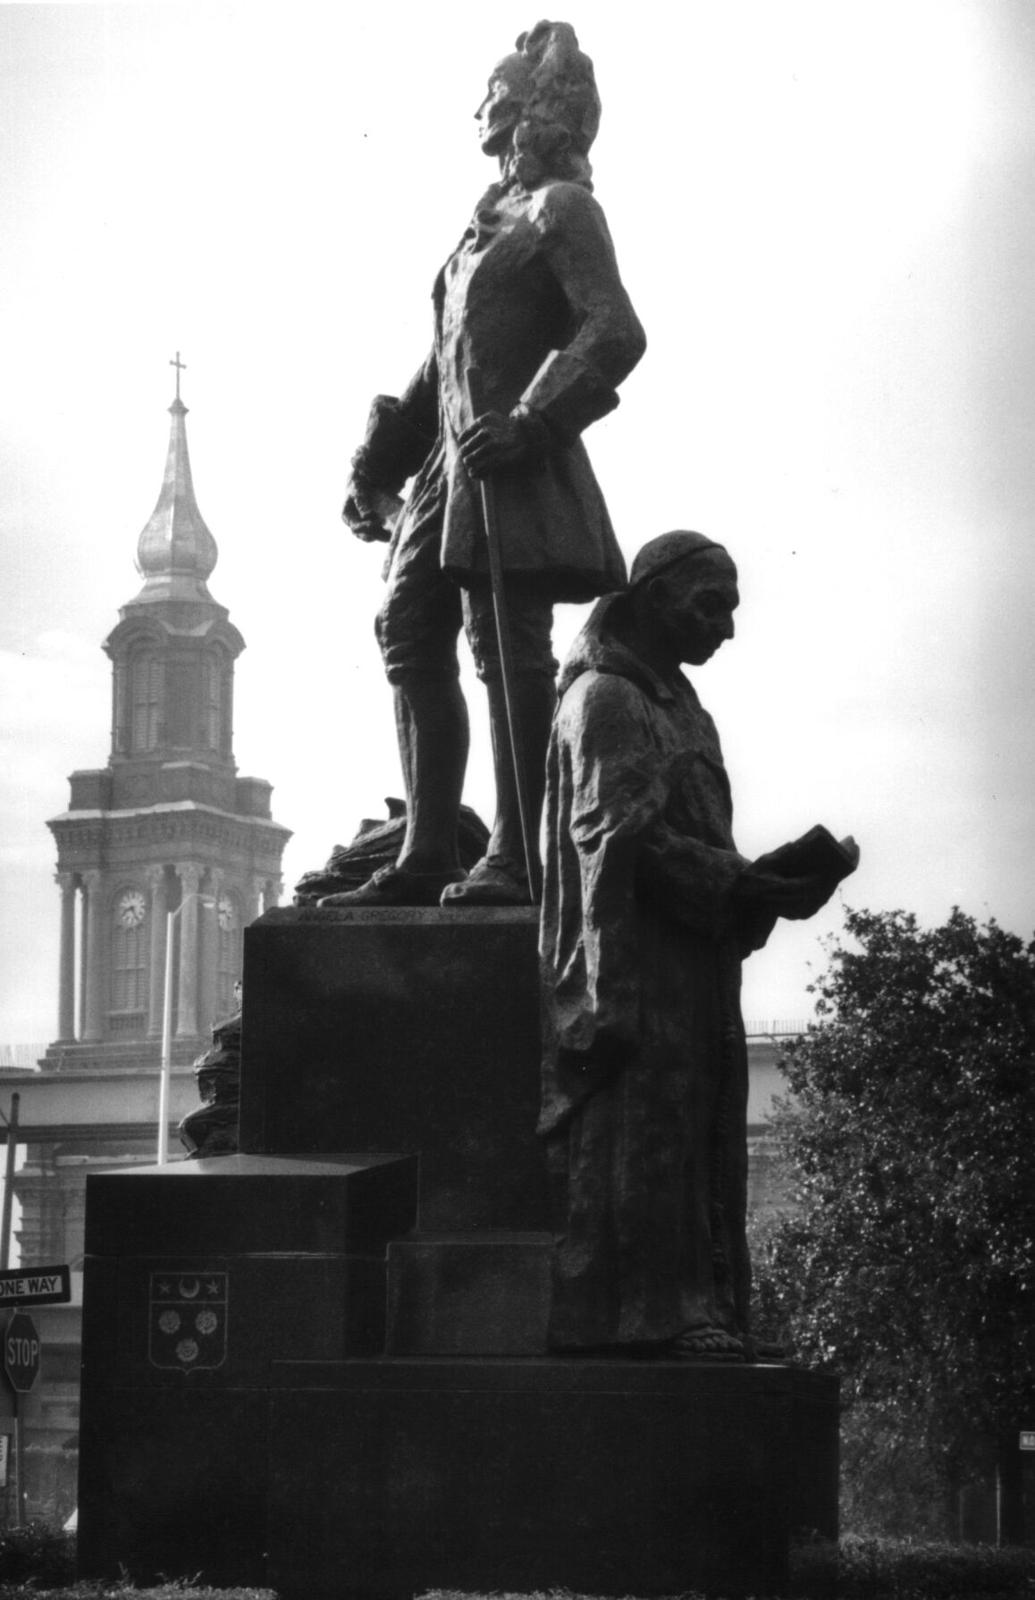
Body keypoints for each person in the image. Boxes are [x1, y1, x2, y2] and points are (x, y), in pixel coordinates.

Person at [329, 21, 645, 908]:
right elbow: (443, 364)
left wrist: (534, 421)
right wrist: (379, 458)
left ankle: (520, 853)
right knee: (405, 629)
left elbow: (615, 329)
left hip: (507, 459)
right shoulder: (479, 231)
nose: (479, 105)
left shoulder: (562, 210)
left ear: (533, 108)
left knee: (504, 648)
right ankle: (427, 851)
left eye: (494, 91)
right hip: (447, 466)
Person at [538, 530, 859, 1358]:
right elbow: (616, 841)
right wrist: (739, 883)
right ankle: (648, 1315)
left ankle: (700, 1305)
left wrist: (763, 883)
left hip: (692, 961)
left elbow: (685, 836)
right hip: (635, 964)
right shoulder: (606, 697)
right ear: (652, 596)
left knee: (694, 1134)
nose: (725, 628)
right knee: (648, 1129)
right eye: (709, 605)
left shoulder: (678, 706)